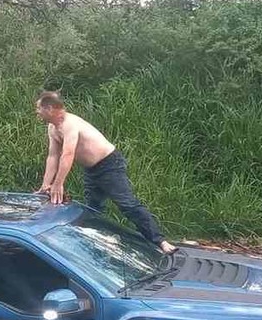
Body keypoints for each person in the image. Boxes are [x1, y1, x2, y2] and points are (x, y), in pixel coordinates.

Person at [34, 90, 177, 254]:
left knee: (128, 205)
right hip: (91, 170)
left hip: (109, 164)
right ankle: (97, 248)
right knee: (93, 209)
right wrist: (46, 184)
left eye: (39, 108)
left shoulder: (69, 124)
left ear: (50, 108)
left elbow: (68, 154)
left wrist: (58, 184)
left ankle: (160, 242)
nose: (37, 112)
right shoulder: (52, 128)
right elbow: (53, 157)